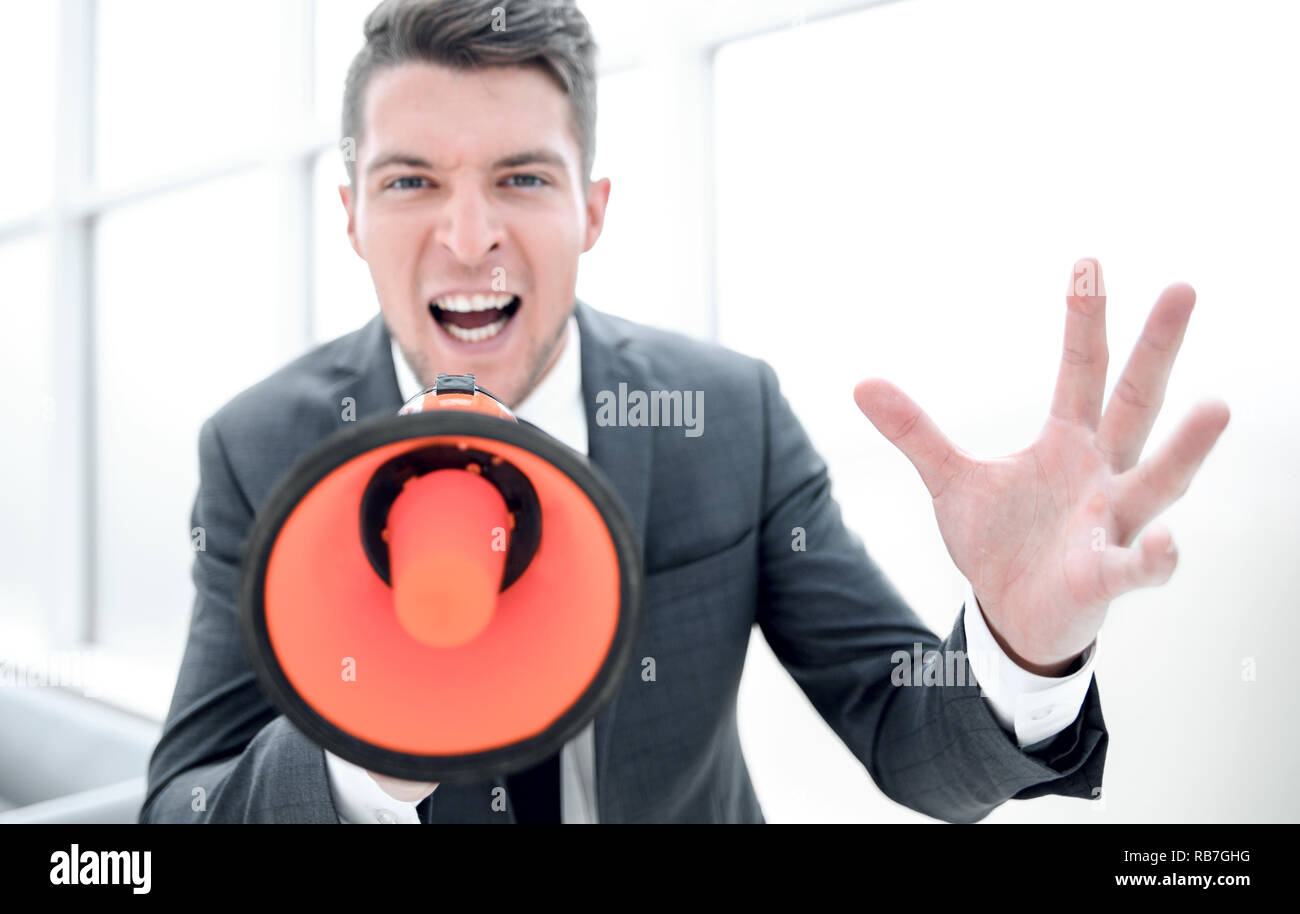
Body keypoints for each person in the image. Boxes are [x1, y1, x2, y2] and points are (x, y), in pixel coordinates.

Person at [140, 0, 1229, 824]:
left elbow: (908, 735)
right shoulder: (259, 446)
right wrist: (361, 749)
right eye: (410, 181)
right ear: (350, 214)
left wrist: (1013, 652)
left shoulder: (724, 415)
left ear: (592, 208)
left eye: (521, 178)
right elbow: (174, 810)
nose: (468, 237)